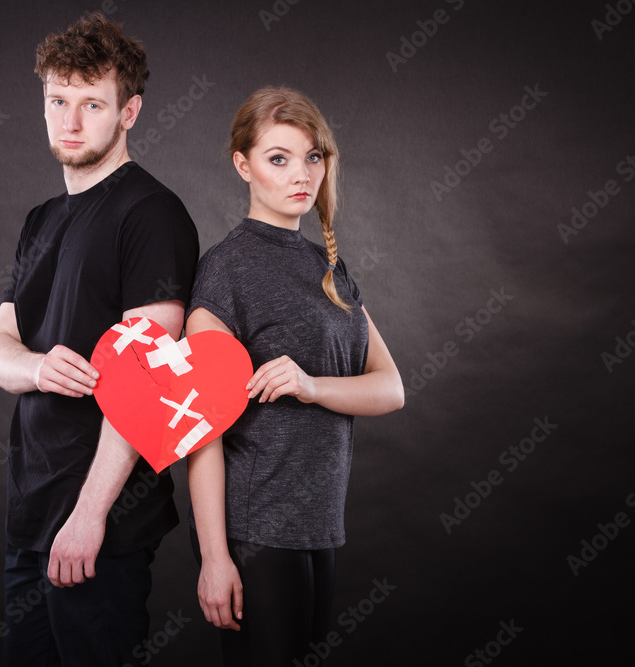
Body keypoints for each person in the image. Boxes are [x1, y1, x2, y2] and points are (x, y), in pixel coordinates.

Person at [0, 12, 198, 666]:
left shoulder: (151, 213)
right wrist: (39, 367)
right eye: (58, 102)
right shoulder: (41, 219)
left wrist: (90, 514)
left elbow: (150, 378)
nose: (70, 121)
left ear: (128, 111)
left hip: (100, 520)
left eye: (92, 104)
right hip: (33, 511)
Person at [185, 87, 405, 665]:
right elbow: (200, 431)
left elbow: (390, 388)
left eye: (313, 156)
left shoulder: (327, 266)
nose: (300, 173)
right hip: (257, 529)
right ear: (244, 166)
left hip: (317, 523)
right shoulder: (224, 272)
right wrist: (214, 557)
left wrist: (311, 386)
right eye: (278, 158)